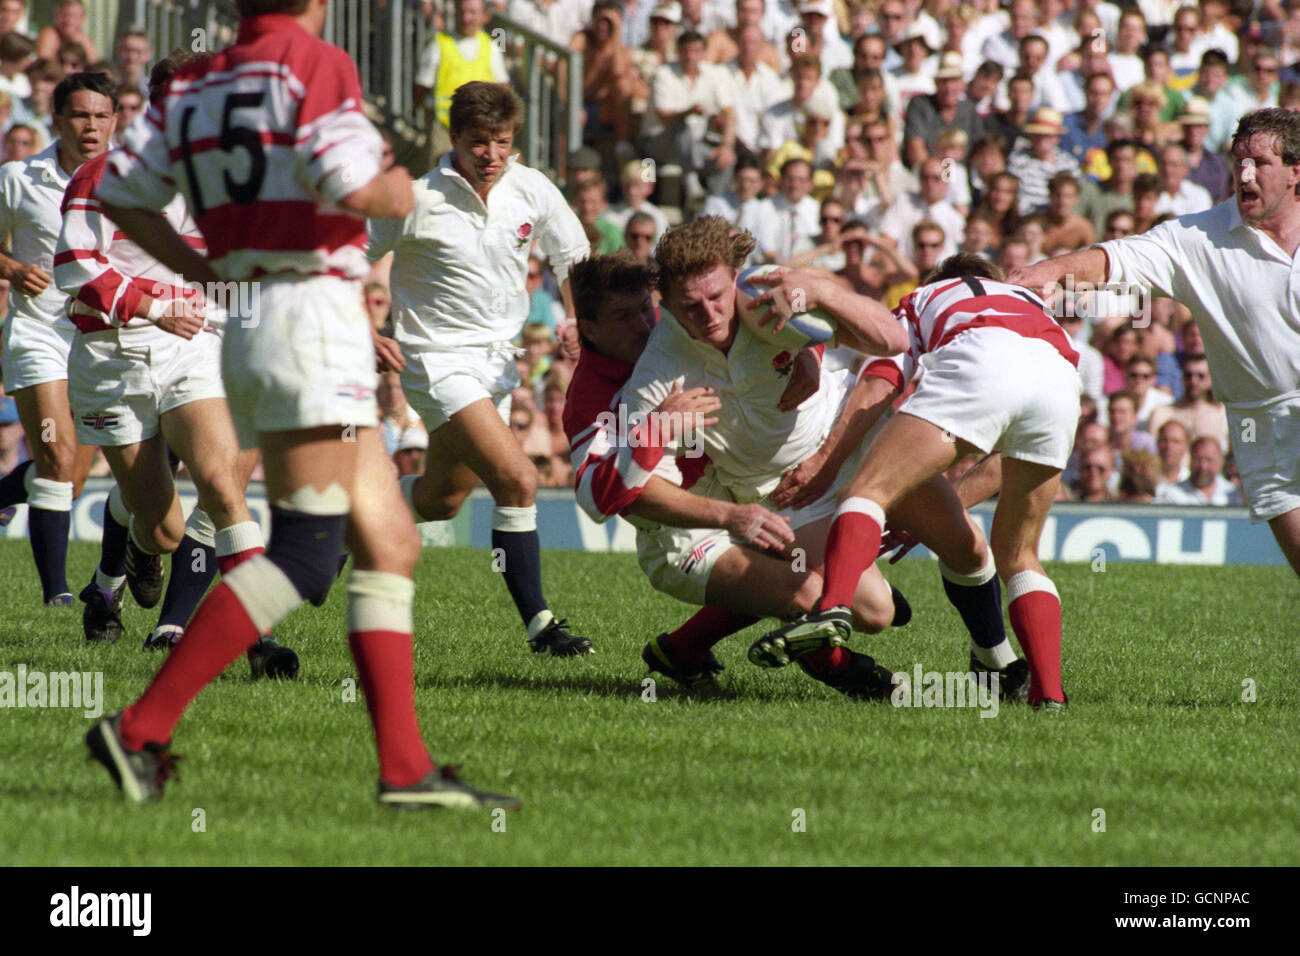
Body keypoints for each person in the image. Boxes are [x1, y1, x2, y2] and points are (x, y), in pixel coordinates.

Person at [86, 0, 516, 810]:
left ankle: (405, 772)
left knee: (389, 542)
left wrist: (206, 269)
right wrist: (404, 181)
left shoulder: (197, 80)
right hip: (307, 315)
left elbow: (117, 192)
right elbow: (360, 187)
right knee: (310, 553)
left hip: (264, 316)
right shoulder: (315, 62)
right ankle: (139, 727)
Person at [53, 52, 297, 679]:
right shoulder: (104, 175)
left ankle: (258, 640)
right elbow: (74, 267)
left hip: (194, 352)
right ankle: (135, 551)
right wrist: (152, 306)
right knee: (160, 529)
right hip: (111, 360)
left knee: (221, 484)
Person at [757, 255, 1079, 709]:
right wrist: (930, 517)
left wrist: (827, 463)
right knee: (1020, 554)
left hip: (982, 358)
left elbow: (885, 374)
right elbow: (1003, 459)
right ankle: (1049, 694)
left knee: (867, 492)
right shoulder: (1031, 304)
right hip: (1061, 379)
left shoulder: (924, 297)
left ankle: (831, 610)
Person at [1012, 107, 1300, 578]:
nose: (1245, 174)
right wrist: (1050, 270)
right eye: (1238, 161)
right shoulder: (1196, 238)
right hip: (1261, 424)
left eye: (1260, 163)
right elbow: (1116, 258)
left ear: (1295, 172)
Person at [369, 80, 595, 657]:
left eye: (502, 142)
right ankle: (542, 628)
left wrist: (574, 317)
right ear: (453, 139)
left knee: (443, 497)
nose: (491, 155)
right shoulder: (417, 198)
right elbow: (346, 257)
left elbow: (573, 254)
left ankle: (351, 519)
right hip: (434, 360)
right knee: (517, 479)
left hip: (497, 365)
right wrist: (364, 332)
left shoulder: (530, 187)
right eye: (478, 143)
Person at [0, 72, 116, 607]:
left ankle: (7, 490)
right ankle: (58, 597)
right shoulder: (18, 179)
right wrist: (12, 268)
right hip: (39, 332)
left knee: (71, 474)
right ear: (57, 120)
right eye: (79, 115)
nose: (90, 126)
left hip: (102, 341)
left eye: (100, 115)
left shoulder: (132, 182)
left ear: (114, 120)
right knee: (56, 454)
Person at [1154, 434, 1244, 505]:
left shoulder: (1233, 495)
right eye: (1198, 459)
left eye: (1209, 460)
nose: (1203, 466)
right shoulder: (1172, 495)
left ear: (1220, 462)